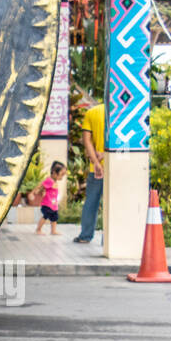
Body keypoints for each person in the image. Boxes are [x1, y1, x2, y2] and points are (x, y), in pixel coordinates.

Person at [75, 99, 105, 244]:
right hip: (116, 167)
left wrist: (96, 162)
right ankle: (108, 239)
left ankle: (85, 236)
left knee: (91, 202)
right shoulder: (119, 113)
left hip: (96, 169)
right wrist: (106, 154)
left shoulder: (92, 112)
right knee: (112, 204)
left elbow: (86, 141)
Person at [36, 161, 67, 236]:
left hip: (53, 205)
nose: (62, 177)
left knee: (54, 218)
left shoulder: (54, 181)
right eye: (61, 175)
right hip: (47, 204)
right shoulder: (49, 180)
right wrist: (35, 191)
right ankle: (38, 229)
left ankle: (53, 231)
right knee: (45, 216)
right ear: (54, 173)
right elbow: (41, 185)